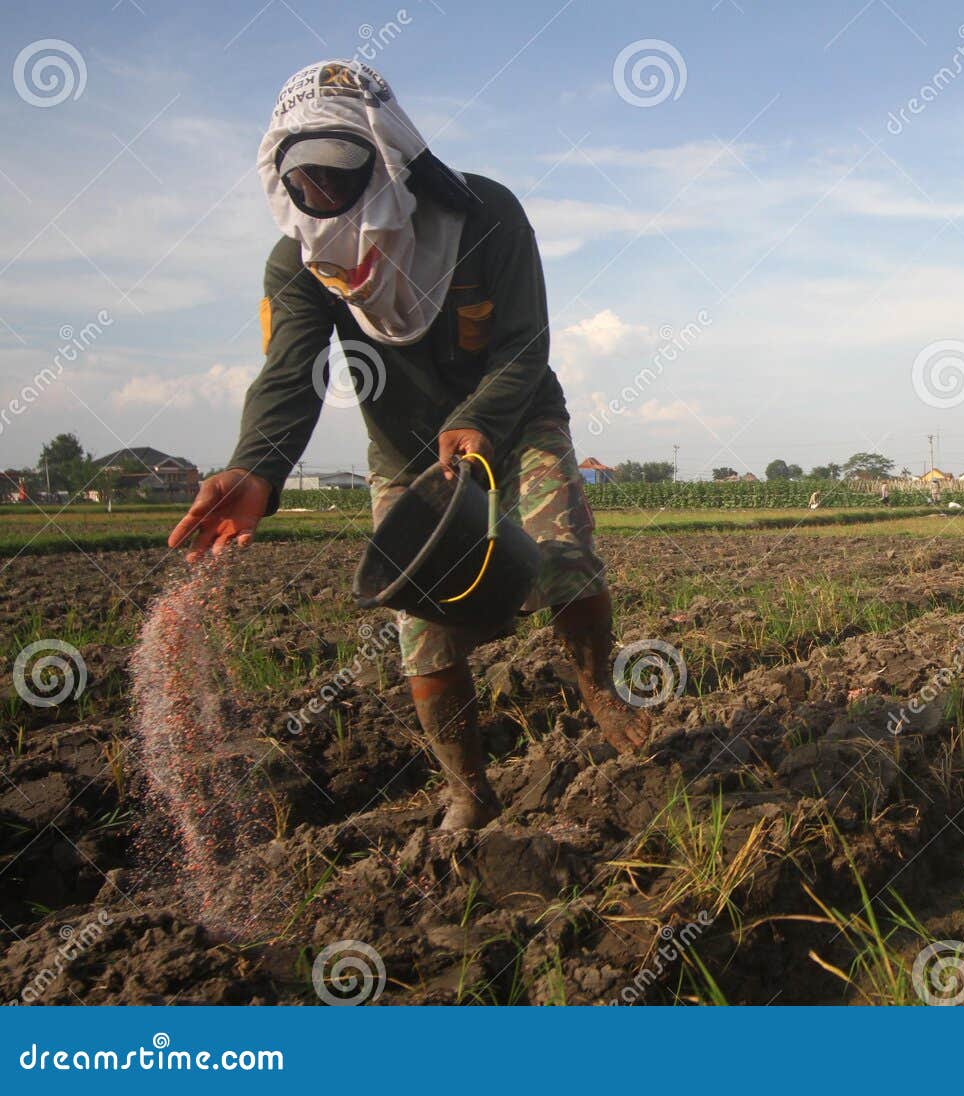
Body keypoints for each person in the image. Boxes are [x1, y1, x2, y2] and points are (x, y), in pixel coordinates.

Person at [167, 61, 649, 830]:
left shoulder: (485, 214)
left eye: (339, 175)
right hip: (408, 455)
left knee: (561, 550)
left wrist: (478, 419)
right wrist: (254, 467)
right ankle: (468, 788)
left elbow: (525, 345)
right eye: (305, 183)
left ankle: (598, 690)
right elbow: (292, 375)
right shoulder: (302, 263)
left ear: (385, 155)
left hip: (516, 417)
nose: (322, 197)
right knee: (420, 626)